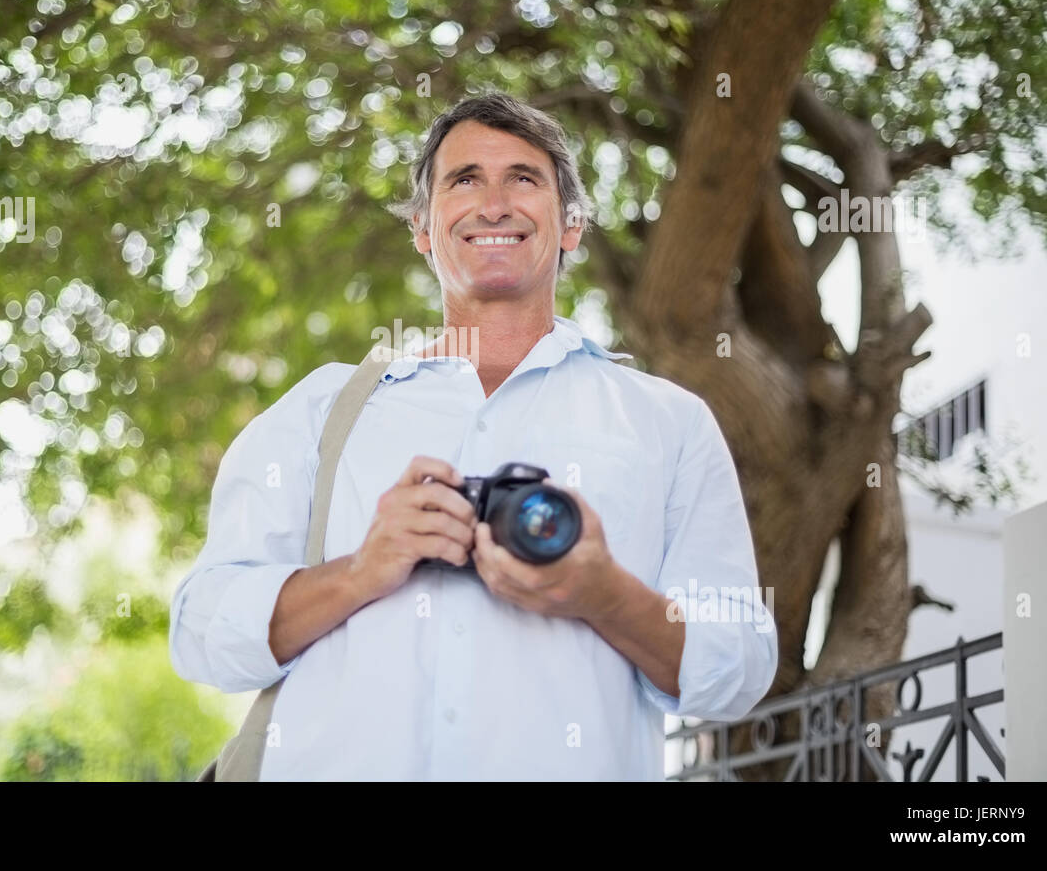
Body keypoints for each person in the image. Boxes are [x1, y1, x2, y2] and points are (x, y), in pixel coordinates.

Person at [169, 92, 778, 780]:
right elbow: (200, 635)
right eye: (464, 180)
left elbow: (741, 668)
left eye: (523, 178)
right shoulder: (321, 411)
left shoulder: (668, 422)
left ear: (571, 225)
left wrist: (607, 596)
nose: (494, 205)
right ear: (424, 231)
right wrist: (362, 572)